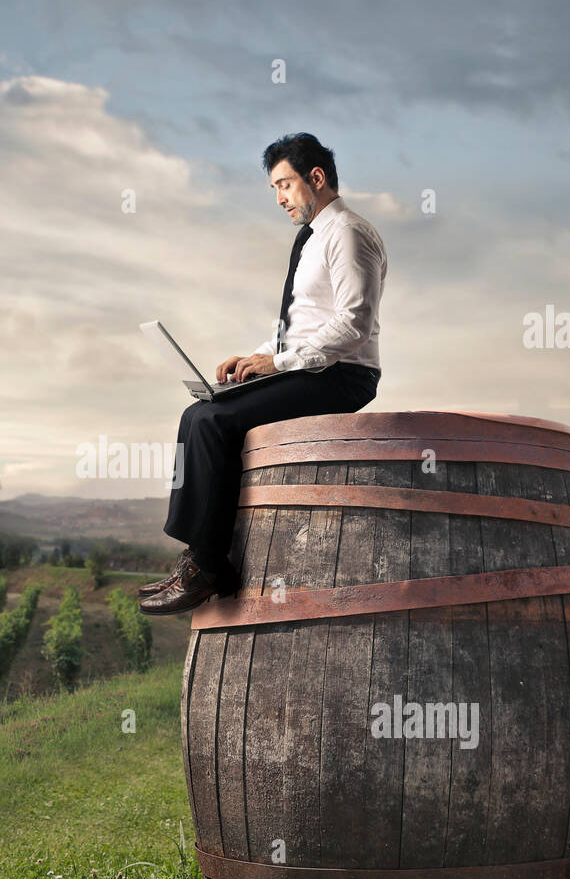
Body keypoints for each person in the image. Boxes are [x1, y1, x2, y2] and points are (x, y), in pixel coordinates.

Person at [139, 132, 386, 615]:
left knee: (214, 421)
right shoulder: (312, 237)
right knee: (199, 412)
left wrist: (278, 364)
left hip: (344, 375)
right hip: (309, 367)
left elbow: (353, 325)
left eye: (285, 185)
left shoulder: (350, 233)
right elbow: (303, 325)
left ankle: (208, 566)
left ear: (315, 178)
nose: (279, 199)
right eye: (275, 188)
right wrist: (255, 358)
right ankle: (201, 559)